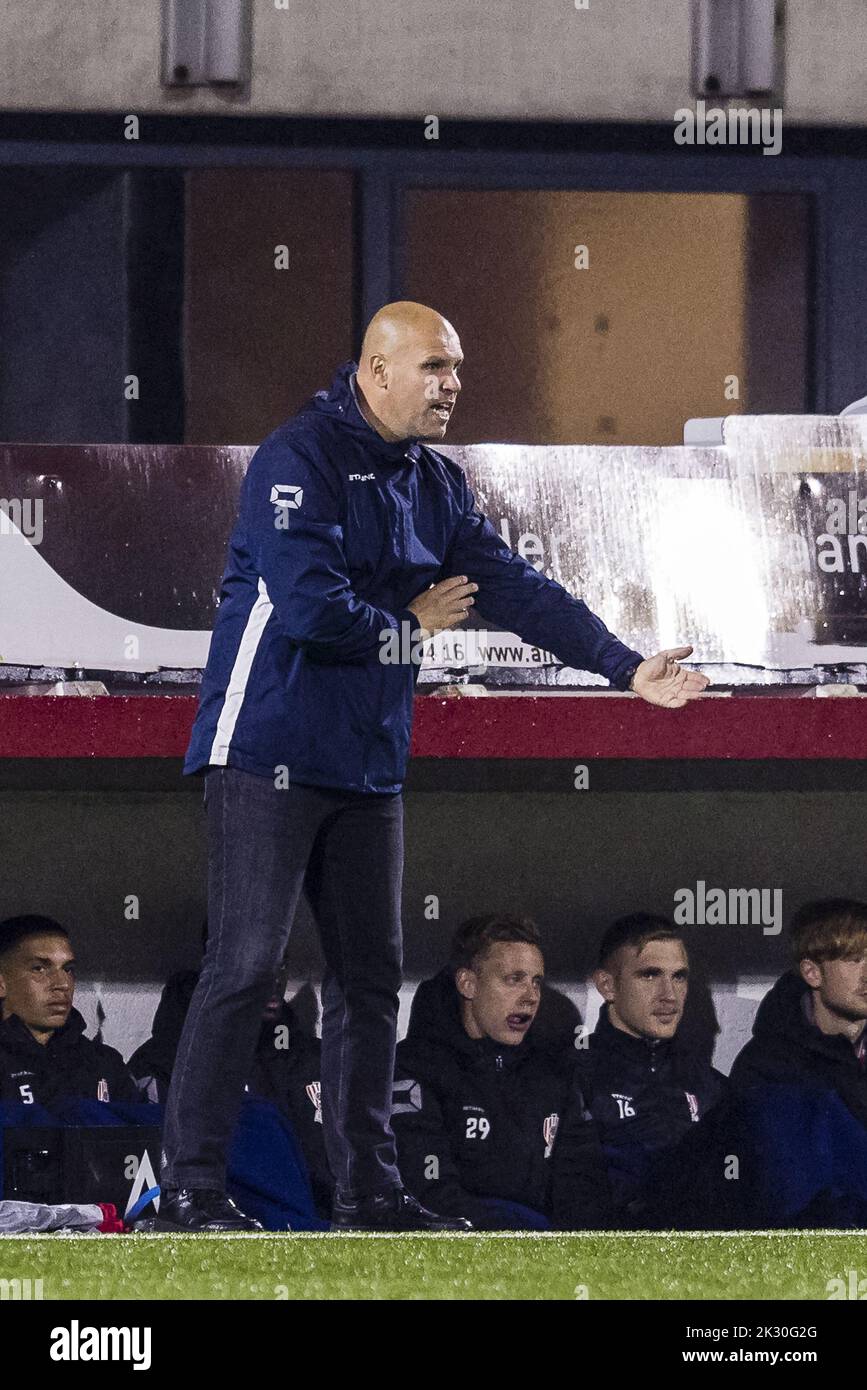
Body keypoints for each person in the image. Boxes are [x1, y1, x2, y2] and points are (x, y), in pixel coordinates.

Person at [162, 300, 709, 1233]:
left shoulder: (433, 482)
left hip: (368, 764)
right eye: (432, 367)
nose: (451, 384)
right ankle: (187, 1193)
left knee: (371, 982)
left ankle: (369, 1196)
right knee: (244, 967)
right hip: (266, 749)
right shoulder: (297, 459)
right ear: (374, 371)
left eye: (456, 368)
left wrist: (624, 666)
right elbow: (306, 613)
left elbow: (517, 590)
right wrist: (408, 626)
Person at [392, 914, 610, 1230]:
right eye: (514, 979)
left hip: (546, 1255)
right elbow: (427, 1193)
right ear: (468, 983)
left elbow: (583, 1189)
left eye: (536, 981)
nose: (531, 996)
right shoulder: (415, 1068)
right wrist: (519, 1232)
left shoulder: (554, 1077)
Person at [567, 913, 725, 1227]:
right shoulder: (571, 1076)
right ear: (607, 985)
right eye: (650, 975)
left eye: (679, 976)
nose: (669, 995)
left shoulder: (712, 1087)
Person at [0, 915, 138, 1107]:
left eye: (68, 969)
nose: (63, 984)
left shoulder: (105, 1064)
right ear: (2, 983)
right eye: (39, 969)